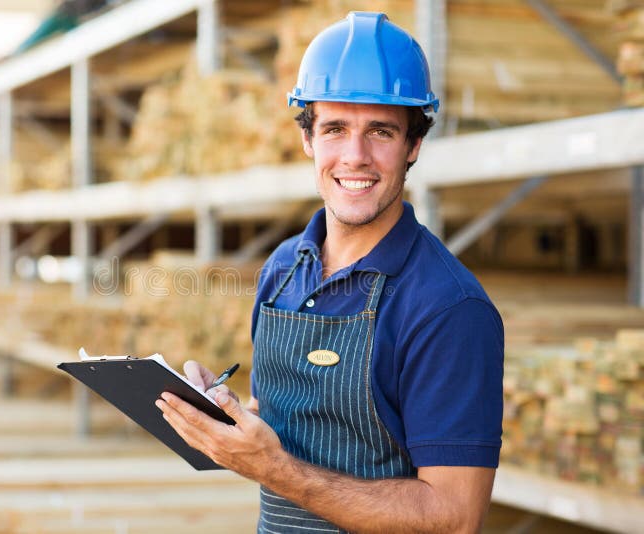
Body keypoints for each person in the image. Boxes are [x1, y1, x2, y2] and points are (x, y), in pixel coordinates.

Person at [156, 11, 503, 533]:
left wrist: (274, 469)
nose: (355, 157)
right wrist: (222, 414)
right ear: (308, 139)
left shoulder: (447, 308)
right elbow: (286, 421)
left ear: (413, 146)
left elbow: (455, 518)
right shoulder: (283, 269)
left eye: (380, 131)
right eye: (335, 129)